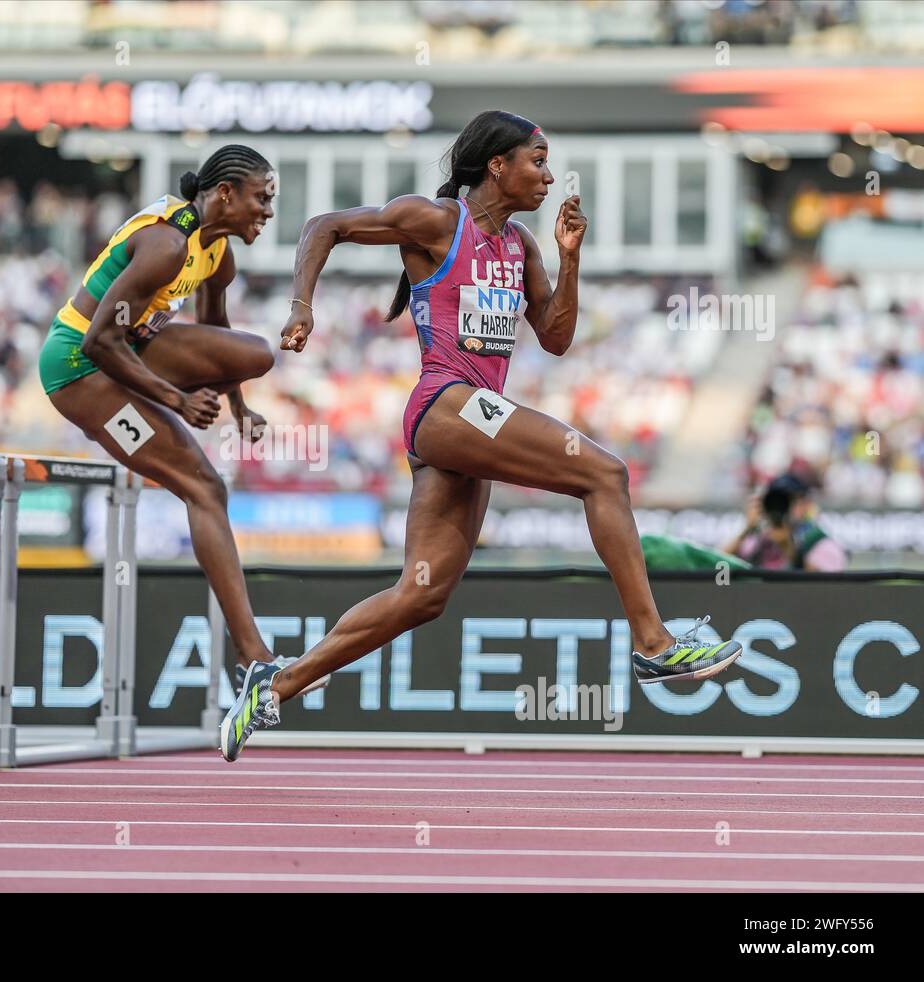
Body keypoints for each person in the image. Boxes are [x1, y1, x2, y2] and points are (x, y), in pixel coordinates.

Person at [222, 111, 742, 761]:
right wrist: (303, 305)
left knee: (421, 595)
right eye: (538, 161)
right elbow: (322, 226)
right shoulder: (437, 221)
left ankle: (277, 682)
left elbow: (555, 338)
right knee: (603, 473)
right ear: (497, 166)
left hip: (471, 424)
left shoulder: (521, 245)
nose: (550, 175)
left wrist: (570, 258)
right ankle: (654, 644)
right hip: (447, 404)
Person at [40, 145, 325, 690]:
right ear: (225, 193)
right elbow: (100, 340)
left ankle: (253, 657)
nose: (267, 211)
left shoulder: (215, 253)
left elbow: (216, 340)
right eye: (262, 199)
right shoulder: (167, 244)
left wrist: (239, 408)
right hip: (79, 367)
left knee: (255, 354)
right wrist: (176, 400)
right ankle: (254, 659)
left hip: (129, 353)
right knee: (204, 489)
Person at [725, 472, 848, 571]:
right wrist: (747, 530)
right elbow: (717, 569)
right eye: (777, 501)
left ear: (806, 505)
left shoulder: (819, 542)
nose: (784, 508)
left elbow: (827, 589)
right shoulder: (756, 538)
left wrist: (789, 549)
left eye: (791, 501)